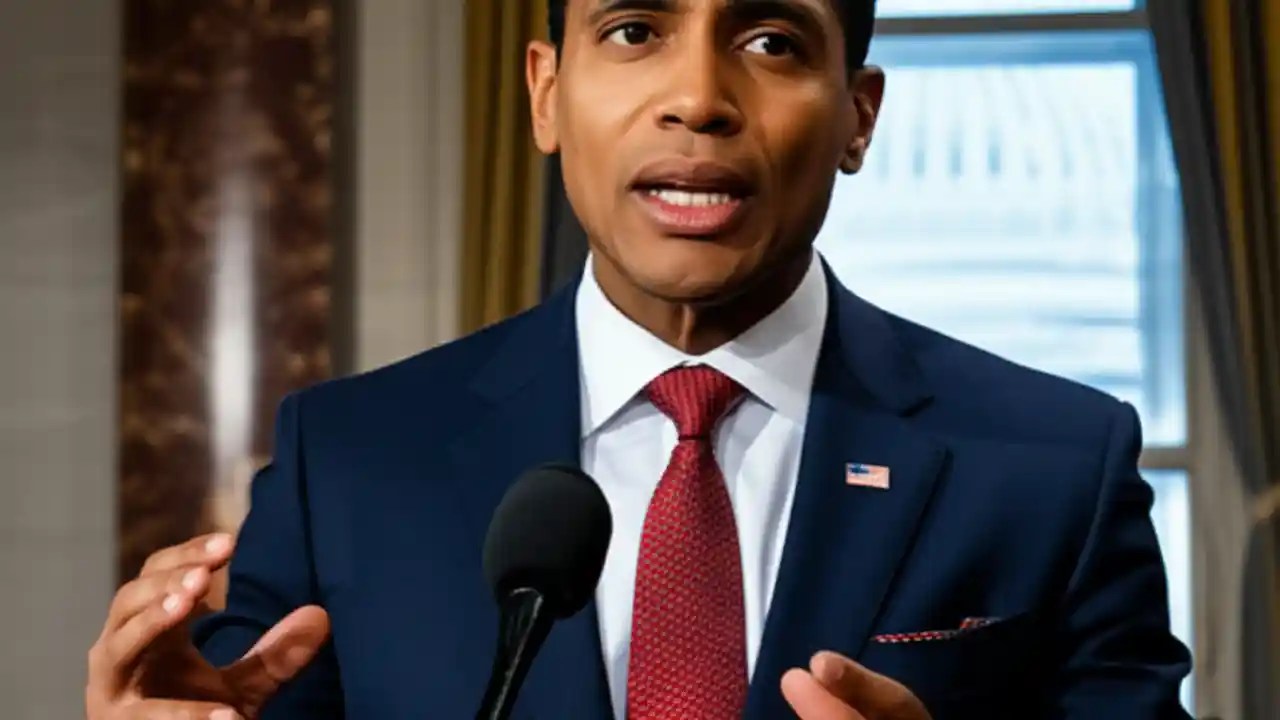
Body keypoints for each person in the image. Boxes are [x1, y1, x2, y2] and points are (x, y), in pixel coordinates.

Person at [85, 0, 1194, 718]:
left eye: (770, 41)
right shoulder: (346, 460)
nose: (699, 98)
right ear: (545, 94)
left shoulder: (1052, 462)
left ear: (857, 117)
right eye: (632, 30)